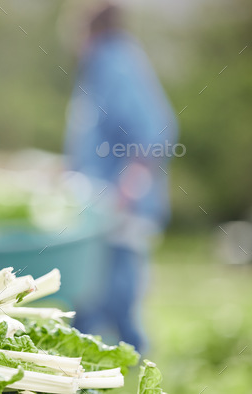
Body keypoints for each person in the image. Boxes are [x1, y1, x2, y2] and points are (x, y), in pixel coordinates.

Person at [64, 3, 178, 351]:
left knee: (114, 299)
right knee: (93, 298)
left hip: (117, 207)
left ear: (87, 30)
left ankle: (133, 367)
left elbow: (152, 131)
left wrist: (127, 190)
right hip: (99, 206)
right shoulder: (103, 66)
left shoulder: (116, 62)